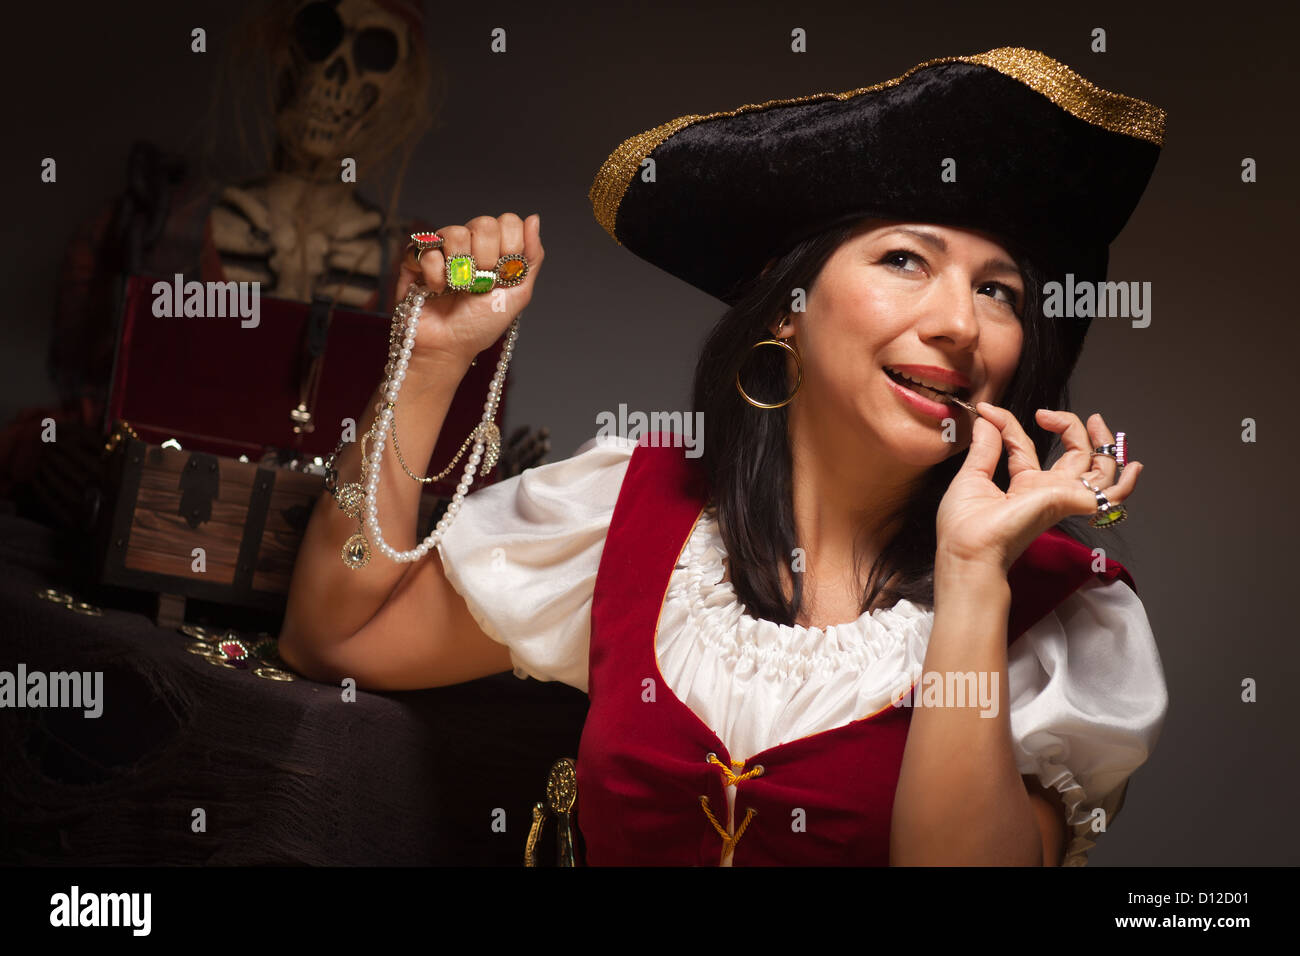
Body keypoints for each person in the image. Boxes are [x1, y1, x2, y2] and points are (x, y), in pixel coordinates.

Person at [279, 46, 1169, 866]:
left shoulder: (1054, 609)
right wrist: (432, 362)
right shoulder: (625, 511)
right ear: (788, 306)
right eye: (905, 260)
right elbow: (337, 637)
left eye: (997, 291)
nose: (958, 323)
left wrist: (975, 574)